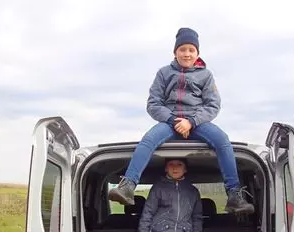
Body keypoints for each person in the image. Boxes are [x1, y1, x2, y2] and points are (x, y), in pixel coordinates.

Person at [108, 27, 254, 215]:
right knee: (148, 141)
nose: (187, 54)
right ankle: (127, 186)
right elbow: (153, 104)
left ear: (197, 53)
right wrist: (172, 120)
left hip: (198, 121)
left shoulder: (206, 75)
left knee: (223, 141)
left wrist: (191, 122)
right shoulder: (163, 73)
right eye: (182, 49)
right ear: (175, 52)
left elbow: (213, 105)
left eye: (191, 50)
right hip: (169, 121)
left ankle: (234, 195)